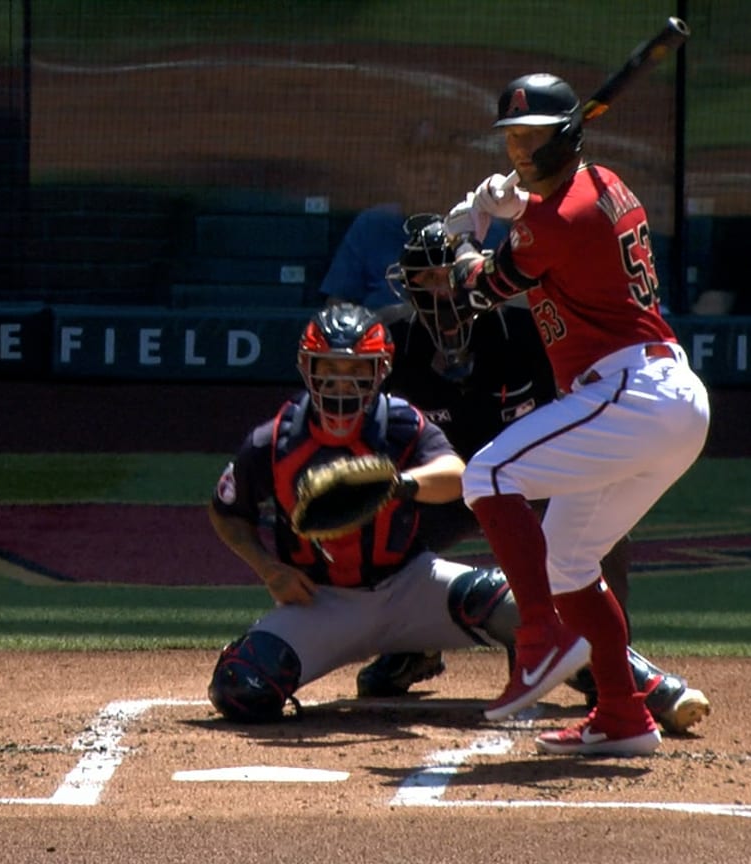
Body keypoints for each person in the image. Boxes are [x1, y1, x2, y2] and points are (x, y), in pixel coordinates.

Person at [353, 214, 711, 736]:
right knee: (380, 523)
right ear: (405, 286)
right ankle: (411, 647)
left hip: (536, 478)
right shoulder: (395, 347)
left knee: (593, 530)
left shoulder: (530, 334)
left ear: (472, 273)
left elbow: (580, 424)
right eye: (424, 280)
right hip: (445, 484)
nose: (439, 291)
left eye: (446, 274)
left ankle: (597, 657)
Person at [439, 73, 711, 756]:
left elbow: (483, 289)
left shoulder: (558, 220)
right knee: (567, 563)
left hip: (630, 392)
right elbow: (548, 218)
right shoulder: (599, 185)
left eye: (534, 139)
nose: (521, 150)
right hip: (657, 398)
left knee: (487, 475)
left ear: (569, 134)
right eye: (513, 139)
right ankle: (623, 715)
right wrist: (519, 204)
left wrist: (465, 236)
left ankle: (539, 638)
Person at [207, 303, 541, 723]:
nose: (341, 384)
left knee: (530, 607)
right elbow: (226, 511)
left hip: (410, 585)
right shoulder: (273, 440)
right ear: (307, 368)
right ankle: (403, 658)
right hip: (320, 603)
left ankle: (627, 682)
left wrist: (398, 484)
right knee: (240, 689)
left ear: (380, 371)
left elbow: (456, 474)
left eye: (356, 371)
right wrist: (268, 568)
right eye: (329, 368)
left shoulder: (400, 422)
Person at [318, 119, 507, 317]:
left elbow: (509, 310)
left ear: (457, 174)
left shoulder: (488, 229)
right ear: (400, 175)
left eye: (440, 169)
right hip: (385, 342)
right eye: (418, 169)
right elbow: (337, 306)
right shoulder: (371, 225)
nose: (430, 178)